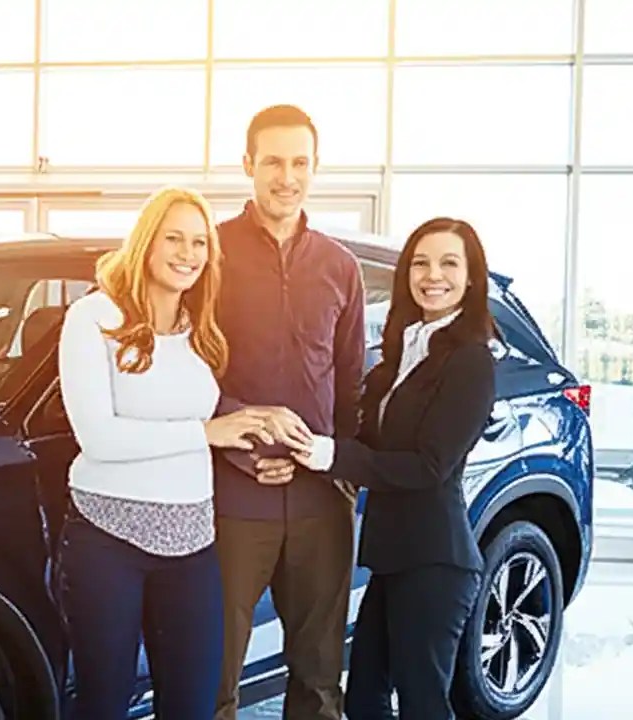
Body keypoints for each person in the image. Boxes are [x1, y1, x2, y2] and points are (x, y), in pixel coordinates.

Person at [56, 185, 304, 720]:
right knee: (102, 706)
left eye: (199, 243)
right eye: (174, 238)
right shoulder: (93, 317)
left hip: (192, 545)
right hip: (108, 540)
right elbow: (97, 437)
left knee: (193, 707)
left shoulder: (201, 329)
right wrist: (206, 432)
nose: (188, 253)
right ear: (146, 241)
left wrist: (262, 436)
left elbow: (223, 417)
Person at [293, 217, 497, 719]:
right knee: (364, 699)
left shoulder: (471, 361)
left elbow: (429, 466)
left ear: (471, 278)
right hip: (394, 559)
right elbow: (371, 442)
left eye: (450, 263)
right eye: (421, 263)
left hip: (435, 561)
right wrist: (300, 447)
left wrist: (332, 455)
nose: (433, 275)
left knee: (423, 706)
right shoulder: (406, 346)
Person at [211, 104, 366, 720]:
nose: (286, 176)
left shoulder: (340, 266)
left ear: (315, 168)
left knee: (321, 682)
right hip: (229, 498)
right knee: (214, 674)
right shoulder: (209, 254)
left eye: (299, 162)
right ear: (247, 165)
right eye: (272, 161)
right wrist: (236, 440)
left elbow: (351, 385)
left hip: (320, 503)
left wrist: (344, 476)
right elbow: (186, 367)